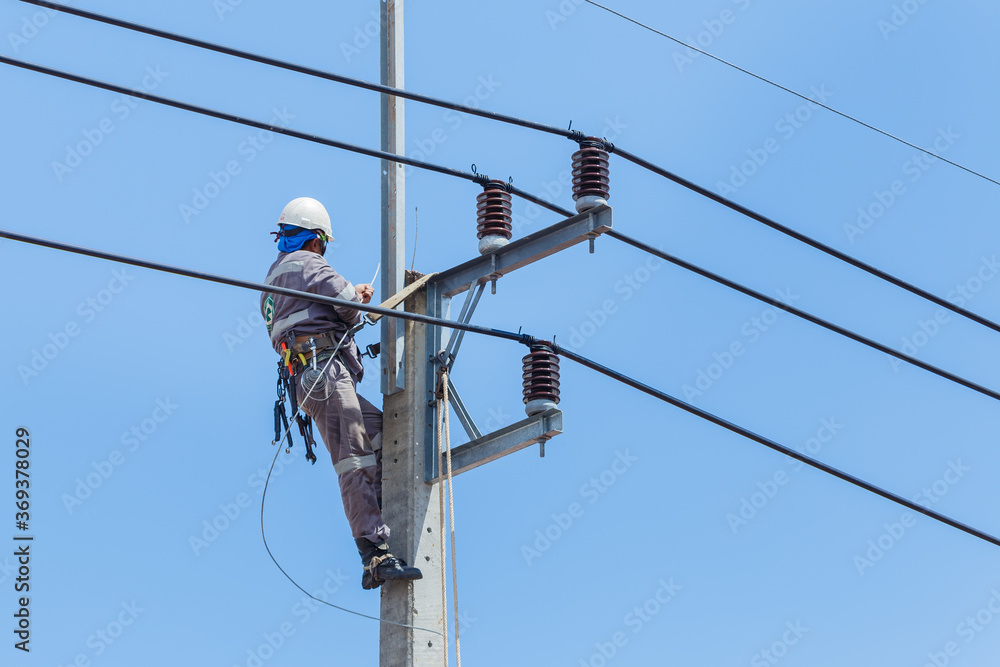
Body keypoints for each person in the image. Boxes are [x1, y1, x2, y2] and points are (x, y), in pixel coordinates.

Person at [260, 196, 422, 590]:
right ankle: (373, 552)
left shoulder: (271, 279)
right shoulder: (311, 264)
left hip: (309, 379)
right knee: (354, 460)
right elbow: (348, 307)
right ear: (316, 240)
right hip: (326, 374)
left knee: (384, 435)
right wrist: (358, 296)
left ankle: (381, 516)